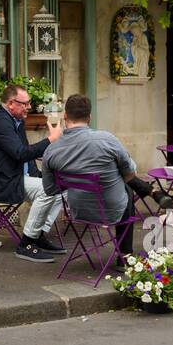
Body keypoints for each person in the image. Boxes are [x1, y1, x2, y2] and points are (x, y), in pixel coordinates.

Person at [0, 82, 63, 263]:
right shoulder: (1, 123)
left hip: (15, 176)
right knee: (48, 190)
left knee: (63, 187)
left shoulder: (17, 120)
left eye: (29, 103)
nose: (29, 107)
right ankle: (27, 243)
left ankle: (38, 234)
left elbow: (25, 154)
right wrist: (51, 139)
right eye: (25, 103)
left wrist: (39, 173)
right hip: (2, 182)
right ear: (11, 104)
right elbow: (21, 153)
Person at [39, 94, 139, 253]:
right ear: (90, 117)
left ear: (65, 116)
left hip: (78, 211)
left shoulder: (51, 150)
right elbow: (130, 173)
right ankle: (125, 255)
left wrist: (73, 180)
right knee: (127, 188)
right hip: (112, 212)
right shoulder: (107, 140)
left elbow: (50, 190)